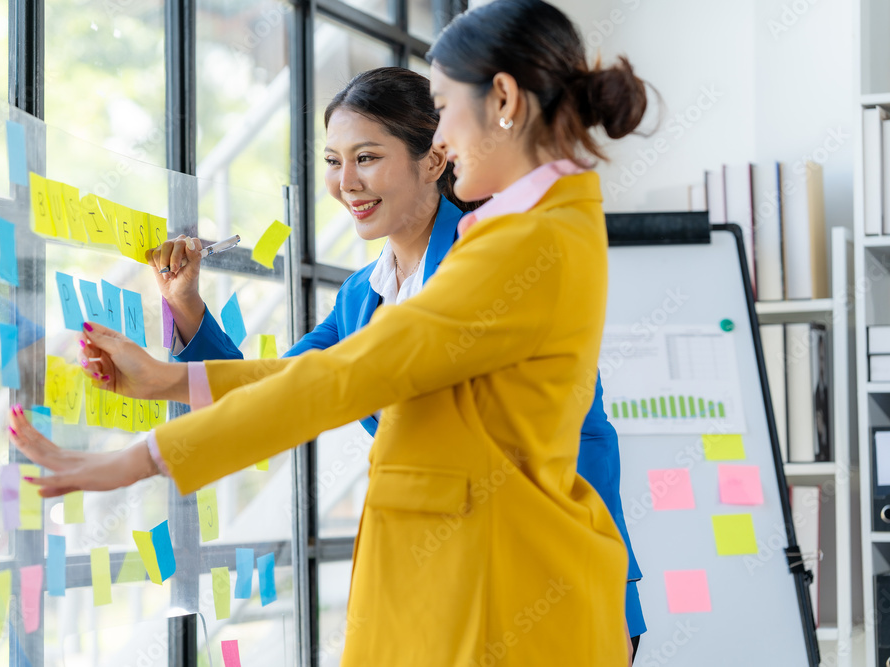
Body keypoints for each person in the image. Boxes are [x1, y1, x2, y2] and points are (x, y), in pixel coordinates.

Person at [10, 1, 649, 662]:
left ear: (504, 100)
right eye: (334, 161)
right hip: (456, 580)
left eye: (442, 111)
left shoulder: (512, 249)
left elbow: (349, 375)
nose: (345, 184)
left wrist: (144, 458)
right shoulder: (379, 286)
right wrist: (170, 371)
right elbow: (307, 372)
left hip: (511, 579)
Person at [150, 65, 646, 655]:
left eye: (366, 157)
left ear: (433, 160)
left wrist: (609, 593)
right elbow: (282, 389)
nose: (345, 183)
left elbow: (581, 433)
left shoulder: (498, 254)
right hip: (437, 587)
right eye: (333, 161)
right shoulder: (363, 297)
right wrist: (185, 306)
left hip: (541, 579)